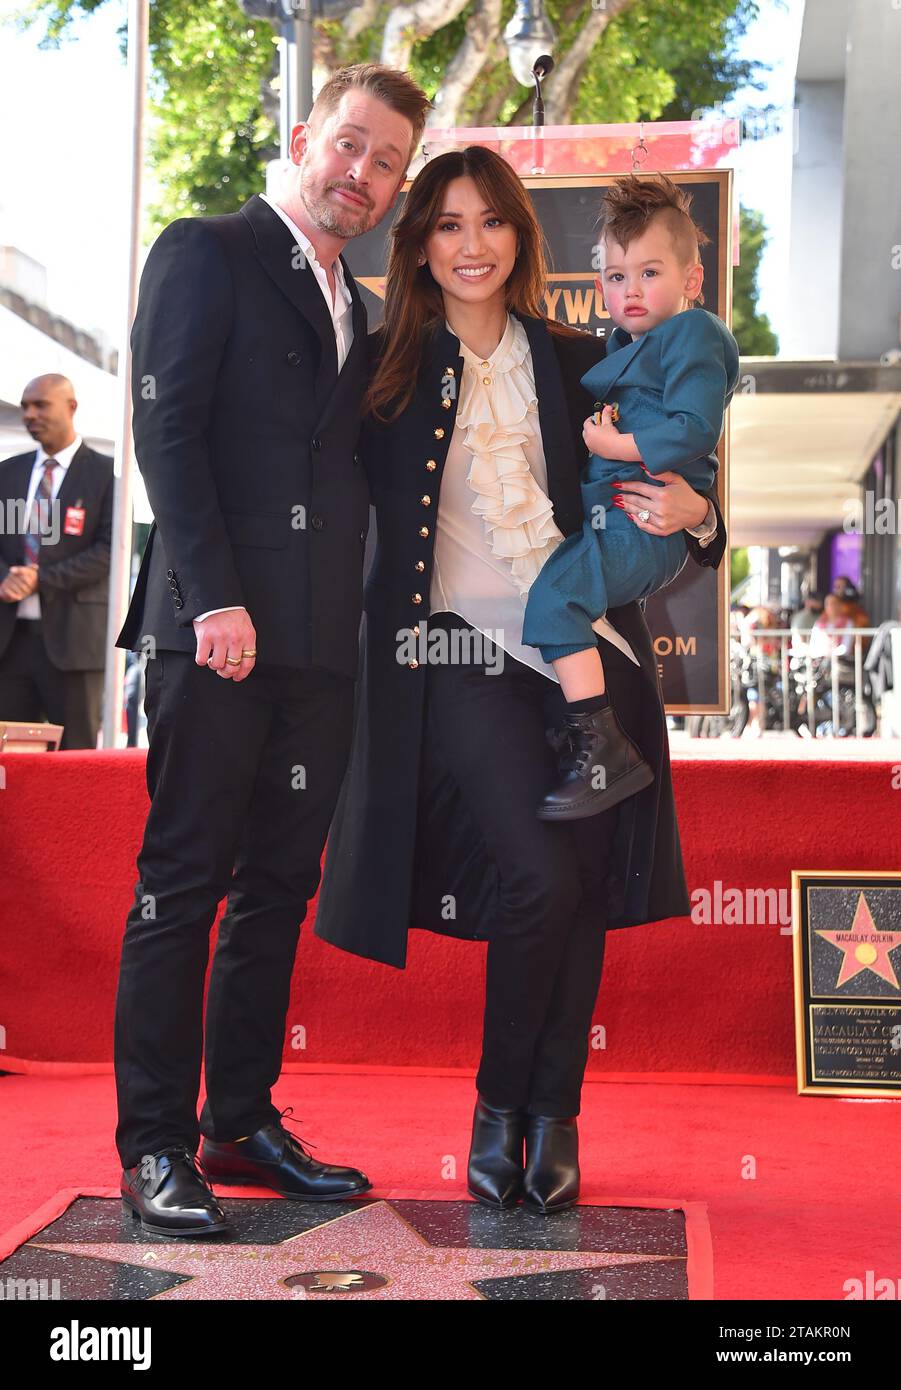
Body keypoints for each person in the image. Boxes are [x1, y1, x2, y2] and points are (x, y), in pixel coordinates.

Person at [313, 146, 725, 1215]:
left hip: (593, 666)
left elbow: (685, 465)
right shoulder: (386, 366)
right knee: (538, 877)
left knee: (578, 891)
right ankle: (501, 1109)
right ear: (419, 244)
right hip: (459, 661)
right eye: (446, 224)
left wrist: (703, 516)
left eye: (489, 222)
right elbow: (299, 479)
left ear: (518, 238)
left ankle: (557, 1118)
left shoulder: (584, 355)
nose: (469, 244)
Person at [113, 63, 432, 1238]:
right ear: (305, 137)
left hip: (317, 655)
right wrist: (213, 600)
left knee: (274, 890)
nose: (363, 173)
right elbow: (167, 427)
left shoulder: (363, 301)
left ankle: (236, 1120)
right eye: (350, 144)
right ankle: (152, 1143)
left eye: (387, 160)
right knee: (180, 887)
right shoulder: (207, 248)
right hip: (218, 634)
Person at [521, 174, 739, 820]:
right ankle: (593, 741)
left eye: (648, 273)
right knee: (557, 597)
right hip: (596, 534)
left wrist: (696, 512)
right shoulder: (623, 347)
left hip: (636, 527)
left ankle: (600, 746)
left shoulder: (687, 335)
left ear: (691, 280)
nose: (631, 290)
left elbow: (695, 433)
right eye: (617, 278)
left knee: (556, 597)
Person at [0, 375, 113, 750]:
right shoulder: (7, 473)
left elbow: (108, 551)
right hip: (10, 644)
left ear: (72, 407)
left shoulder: (106, 476)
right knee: (11, 766)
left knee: (77, 761)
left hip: (75, 646)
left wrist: (41, 578)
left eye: (40, 405)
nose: (29, 414)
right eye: (25, 406)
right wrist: (5, 578)